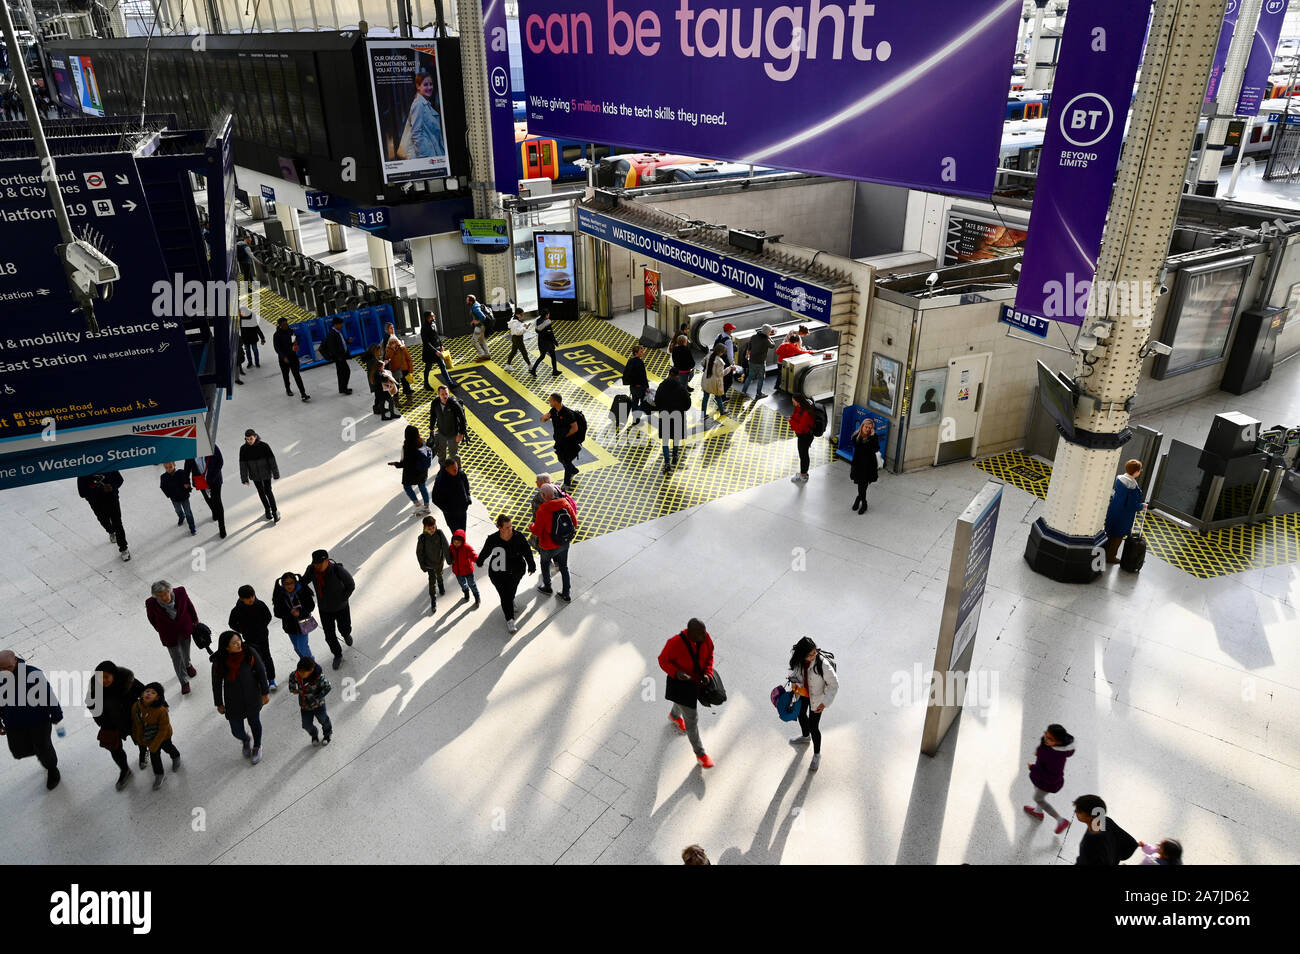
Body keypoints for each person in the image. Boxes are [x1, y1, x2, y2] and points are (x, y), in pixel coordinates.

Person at [0, 651, 64, 790]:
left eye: (7, 667)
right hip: (14, 725)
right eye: (0, 668)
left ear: (16, 661)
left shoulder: (33, 674)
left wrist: (56, 714)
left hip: (38, 722)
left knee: (44, 749)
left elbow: (48, 696)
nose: (4, 671)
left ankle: (52, 770)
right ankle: (41, 753)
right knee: (19, 750)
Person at [657, 619, 716, 769]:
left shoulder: (705, 638)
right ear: (690, 633)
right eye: (701, 634)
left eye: (705, 632)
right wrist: (676, 673)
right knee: (692, 719)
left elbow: (710, 655)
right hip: (682, 686)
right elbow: (662, 660)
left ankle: (674, 716)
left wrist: (708, 674)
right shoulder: (674, 643)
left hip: (698, 683)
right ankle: (700, 754)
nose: (705, 636)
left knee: (681, 705)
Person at [211, 630, 270, 765]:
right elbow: (216, 683)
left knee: (255, 723)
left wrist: (265, 693)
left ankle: (257, 746)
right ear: (226, 647)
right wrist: (219, 703)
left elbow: (261, 671)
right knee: (236, 730)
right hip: (233, 700)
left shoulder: (249, 653)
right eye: (234, 643)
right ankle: (245, 739)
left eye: (239, 640)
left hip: (252, 696)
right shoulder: (219, 661)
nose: (239, 644)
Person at [85, 661, 144, 791]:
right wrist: (102, 723)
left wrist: (161, 702)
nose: (103, 680)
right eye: (101, 677)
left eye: (107, 677)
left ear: (114, 675)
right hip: (110, 725)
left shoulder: (127, 680)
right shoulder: (95, 689)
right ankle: (124, 769)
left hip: (131, 720)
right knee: (115, 749)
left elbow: (144, 691)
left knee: (140, 739)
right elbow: (91, 706)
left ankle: (143, 753)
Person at [476, 515, 536, 634]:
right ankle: (510, 620)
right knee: (505, 596)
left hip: (516, 571)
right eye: (507, 527)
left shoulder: (518, 537)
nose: (511, 529)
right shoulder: (493, 539)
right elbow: (486, 551)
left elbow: (527, 551)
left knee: (511, 591)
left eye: (511, 526)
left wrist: (531, 565)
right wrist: (480, 561)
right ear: (500, 527)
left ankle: (511, 600)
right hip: (498, 573)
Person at [786, 637, 839, 772]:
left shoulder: (823, 664)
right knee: (801, 714)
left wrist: (825, 702)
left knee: (814, 726)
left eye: (815, 652)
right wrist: (794, 685)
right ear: (801, 654)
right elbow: (793, 672)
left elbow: (834, 684)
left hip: (818, 699)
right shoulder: (797, 660)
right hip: (803, 693)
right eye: (810, 654)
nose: (814, 655)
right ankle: (805, 736)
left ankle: (817, 754)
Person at [303, 549, 355, 671]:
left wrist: (343, 598)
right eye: (315, 563)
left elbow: (351, 584)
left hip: (341, 607)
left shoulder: (337, 570)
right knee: (329, 635)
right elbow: (303, 582)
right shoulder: (312, 570)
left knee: (344, 627)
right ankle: (337, 655)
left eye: (320, 563)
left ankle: (346, 634)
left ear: (327, 561)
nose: (318, 566)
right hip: (324, 609)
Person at [145, 580, 200, 695]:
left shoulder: (180, 592)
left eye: (166, 593)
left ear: (170, 590)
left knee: (186, 650)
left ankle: (188, 664)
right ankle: (184, 681)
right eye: (160, 596)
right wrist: (161, 629)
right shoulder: (151, 603)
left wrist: (195, 619)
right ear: (156, 597)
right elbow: (152, 619)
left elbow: (189, 605)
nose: (164, 597)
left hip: (184, 628)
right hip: (168, 634)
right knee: (176, 657)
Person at [1023, 724, 1075, 834]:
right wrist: (1040, 753)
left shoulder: (1056, 757)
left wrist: (1033, 768)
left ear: (1059, 742)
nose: (1045, 739)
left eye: (1050, 739)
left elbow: (1052, 777)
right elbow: (1045, 751)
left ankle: (1061, 821)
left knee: (1038, 798)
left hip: (1047, 783)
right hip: (1040, 778)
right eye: (1045, 735)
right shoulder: (1051, 747)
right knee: (1036, 788)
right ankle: (1038, 811)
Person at [530, 484, 577, 604]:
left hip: (548, 546)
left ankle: (547, 587)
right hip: (564, 543)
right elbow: (574, 522)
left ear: (543, 495)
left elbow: (538, 531)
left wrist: (531, 526)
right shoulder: (565, 503)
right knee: (564, 567)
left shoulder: (543, 509)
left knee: (545, 564)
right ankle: (566, 594)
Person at [130, 682, 180, 791]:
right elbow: (136, 724)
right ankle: (159, 774)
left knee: (168, 747)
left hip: (164, 736)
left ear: (157, 697)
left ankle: (176, 756)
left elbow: (163, 729)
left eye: (153, 693)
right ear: (142, 693)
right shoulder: (136, 707)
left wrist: (154, 745)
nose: (148, 694)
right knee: (154, 757)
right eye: (147, 691)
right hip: (149, 738)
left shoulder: (161, 711)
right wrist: (138, 737)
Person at [229, 585, 278, 690]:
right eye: (248, 598)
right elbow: (232, 623)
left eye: (252, 596)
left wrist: (262, 626)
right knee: (256, 659)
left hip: (263, 636)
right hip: (249, 639)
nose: (251, 599)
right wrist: (242, 630)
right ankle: (261, 677)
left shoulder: (260, 605)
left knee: (267, 657)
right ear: (242, 599)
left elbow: (268, 616)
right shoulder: (237, 610)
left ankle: (271, 679)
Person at [77, 470, 130, 561]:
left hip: (112, 498)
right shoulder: (83, 472)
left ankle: (123, 548)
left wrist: (112, 487)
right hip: (96, 502)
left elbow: (119, 480)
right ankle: (110, 531)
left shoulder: (108, 465)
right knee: (103, 520)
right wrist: (96, 490)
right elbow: (82, 493)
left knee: (117, 523)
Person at [1072, 794, 1139, 865]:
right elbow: (1131, 844)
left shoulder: (1091, 843)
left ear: (1091, 816)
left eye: (1079, 811)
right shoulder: (1106, 822)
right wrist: (1115, 857)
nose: (1075, 811)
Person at [397, 70, 444, 160]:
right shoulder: (419, 104)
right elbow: (416, 133)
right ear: (418, 86)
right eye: (425, 84)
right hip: (426, 155)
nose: (429, 87)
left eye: (431, 84)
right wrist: (424, 157)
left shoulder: (425, 103)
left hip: (430, 152)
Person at [1105, 460, 1145, 564]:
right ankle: (1111, 557)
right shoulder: (1131, 487)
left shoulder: (1120, 480)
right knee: (1118, 537)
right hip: (1124, 515)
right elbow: (1132, 505)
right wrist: (1142, 506)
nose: (1140, 472)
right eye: (1140, 470)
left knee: (1110, 533)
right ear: (1135, 472)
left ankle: (1104, 552)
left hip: (1114, 510)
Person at [288, 656, 333, 747]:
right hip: (304, 706)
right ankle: (314, 734)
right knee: (306, 724)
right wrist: (293, 689)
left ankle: (327, 734)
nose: (300, 674)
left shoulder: (319, 678)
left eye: (303, 672)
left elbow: (328, 687)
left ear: (311, 670)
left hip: (318, 705)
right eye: (299, 671)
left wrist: (317, 697)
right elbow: (292, 679)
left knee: (323, 720)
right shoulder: (296, 675)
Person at [238, 428, 280, 522]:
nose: (249, 441)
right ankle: (267, 510)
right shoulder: (243, 449)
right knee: (261, 492)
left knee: (268, 491)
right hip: (255, 475)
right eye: (247, 439)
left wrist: (275, 473)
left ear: (255, 436)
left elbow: (272, 460)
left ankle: (275, 512)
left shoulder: (264, 446)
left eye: (251, 439)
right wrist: (244, 479)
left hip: (266, 474)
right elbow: (243, 465)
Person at [272, 572, 317, 660]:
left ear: (295, 582)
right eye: (286, 584)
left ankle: (312, 665)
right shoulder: (280, 595)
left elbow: (311, 606)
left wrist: (300, 613)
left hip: (303, 624)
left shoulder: (302, 591)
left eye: (291, 583)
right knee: (297, 648)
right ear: (282, 584)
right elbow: (277, 613)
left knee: (302, 647)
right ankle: (305, 665)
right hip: (290, 627)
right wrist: (289, 613)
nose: (289, 586)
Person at [541, 393, 581, 490]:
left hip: (569, 442)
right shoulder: (553, 411)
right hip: (559, 441)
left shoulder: (567, 413)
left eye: (550, 400)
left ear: (555, 401)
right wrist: (544, 417)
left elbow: (575, 428)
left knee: (566, 461)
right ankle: (574, 470)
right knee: (561, 459)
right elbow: (543, 420)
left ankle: (567, 483)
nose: (549, 401)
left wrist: (565, 436)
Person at [185, 445, 226, 538]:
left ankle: (222, 527)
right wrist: (186, 481)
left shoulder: (212, 446)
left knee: (217, 501)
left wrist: (211, 478)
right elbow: (187, 466)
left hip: (214, 479)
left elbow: (220, 462)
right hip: (200, 480)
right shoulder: (189, 449)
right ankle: (214, 512)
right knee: (208, 498)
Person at [655, 371, 691, 474]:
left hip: (665, 416)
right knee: (676, 437)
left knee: (665, 441)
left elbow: (657, 401)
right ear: (677, 376)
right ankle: (675, 456)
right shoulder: (681, 387)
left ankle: (667, 463)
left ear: (669, 374)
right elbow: (688, 404)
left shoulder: (662, 386)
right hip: (678, 416)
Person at [391, 424, 433, 514]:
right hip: (422, 471)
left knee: (407, 487)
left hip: (410, 473)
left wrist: (396, 464)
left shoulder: (406, 447)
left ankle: (417, 505)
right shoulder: (422, 442)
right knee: (422, 487)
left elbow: (404, 463)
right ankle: (426, 506)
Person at [416, 514, 450, 615]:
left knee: (439, 575)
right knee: (431, 582)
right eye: (429, 528)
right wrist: (422, 565)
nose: (432, 530)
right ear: (425, 528)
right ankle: (433, 600)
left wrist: (448, 560)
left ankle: (441, 585)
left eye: (433, 527)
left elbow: (445, 546)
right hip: (429, 564)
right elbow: (419, 553)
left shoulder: (439, 533)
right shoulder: (422, 538)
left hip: (439, 562)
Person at [428, 385, 467, 465]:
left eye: (446, 394)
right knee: (441, 453)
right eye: (442, 394)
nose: (445, 396)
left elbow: (462, 419)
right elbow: (433, 416)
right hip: (441, 432)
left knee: (453, 455)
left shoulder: (454, 403)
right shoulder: (435, 403)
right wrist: (431, 429)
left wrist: (461, 433)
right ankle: (442, 469)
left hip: (453, 433)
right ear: (438, 394)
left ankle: (458, 470)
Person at [272, 318, 311, 402]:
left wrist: (296, 343)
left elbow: (295, 339)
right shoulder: (276, 335)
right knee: (286, 375)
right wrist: (283, 357)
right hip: (284, 359)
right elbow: (277, 348)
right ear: (280, 326)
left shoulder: (291, 331)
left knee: (297, 375)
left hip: (293, 356)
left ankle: (303, 394)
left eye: (286, 324)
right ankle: (288, 389)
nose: (286, 326)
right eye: (284, 325)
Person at [432, 455, 472, 534]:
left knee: (463, 533)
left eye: (456, 468)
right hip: (451, 515)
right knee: (457, 535)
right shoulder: (440, 481)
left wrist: (468, 497)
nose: (456, 470)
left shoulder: (461, 474)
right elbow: (435, 499)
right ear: (447, 469)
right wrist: (447, 510)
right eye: (453, 469)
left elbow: (466, 486)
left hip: (462, 510)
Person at [849, 418, 880, 514]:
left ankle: (859, 500)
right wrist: (869, 439)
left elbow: (876, 448)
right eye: (866, 427)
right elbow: (861, 448)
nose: (868, 429)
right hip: (859, 464)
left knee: (864, 484)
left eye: (870, 428)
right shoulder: (856, 437)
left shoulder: (873, 436)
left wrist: (871, 437)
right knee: (861, 484)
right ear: (862, 426)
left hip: (869, 464)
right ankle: (863, 502)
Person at [159, 461, 196, 535]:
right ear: (164, 467)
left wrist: (188, 487)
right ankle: (181, 517)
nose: (168, 469)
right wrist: (169, 494)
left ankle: (192, 527)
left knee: (188, 512)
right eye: (166, 468)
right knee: (178, 510)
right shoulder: (163, 477)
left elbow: (187, 481)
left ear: (174, 465)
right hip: (174, 499)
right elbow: (162, 487)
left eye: (170, 467)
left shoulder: (181, 472)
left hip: (184, 497)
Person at [319, 315, 354, 395]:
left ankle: (343, 388)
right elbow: (332, 348)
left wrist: (348, 341)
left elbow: (342, 342)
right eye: (340, 324)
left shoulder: (337, 332)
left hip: (341, 356)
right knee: (346, 372)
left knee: (342, 372)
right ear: (335, 324)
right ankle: (344, 388)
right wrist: (338, 357)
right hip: (339, 357)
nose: (342, 325)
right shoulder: (332, 334)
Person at [738, 324, 773, 400]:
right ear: (767, 332)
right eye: (770, 332)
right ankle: (759, 393)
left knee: (750, 376)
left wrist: (747, 354)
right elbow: (772, 346)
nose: (770, 333)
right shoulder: (766, 340)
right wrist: (770, 338)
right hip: (760, 362)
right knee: (761, 378)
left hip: (752, 360)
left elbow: (749, 346)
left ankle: (743, 391)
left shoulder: (754, 337)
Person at [448, 529, 481, 608]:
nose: (456, 544)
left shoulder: (467, 548)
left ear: (462, 541)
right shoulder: (451, 547)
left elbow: (473, 555)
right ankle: (466, 593)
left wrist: (479, 561)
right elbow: (448, 556)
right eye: (455, 542)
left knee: (472, 584)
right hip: (458, 571)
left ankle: (477, 596)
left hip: (468, 571)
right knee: (462, 584)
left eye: (458, 542)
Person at [420, 312, 453, 390]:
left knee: (442, 366)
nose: (434, 317)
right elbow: (426, 342)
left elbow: (437, 336)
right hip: (429, 352)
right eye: (432, 316)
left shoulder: (434, 324)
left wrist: (441, 345)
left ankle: (450, 383)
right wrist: (435, 351)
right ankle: (426, 384)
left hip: (437, 349)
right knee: (428, 368)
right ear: (427, 317)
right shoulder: (424, 328)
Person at [383, 322, 415, 400]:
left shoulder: (400, 345)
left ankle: (408, 397)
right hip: (395, 367)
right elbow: (386, 356)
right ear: (387, 330)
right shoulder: (387, 339)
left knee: (405, 382)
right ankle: (397, 399)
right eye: (391, 328)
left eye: (393, 327)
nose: (393, 329)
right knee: (396, 383)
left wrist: (410, 369)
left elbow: (408, 359)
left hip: (403, 367)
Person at [789, 396, 816, 484]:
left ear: (799, 402)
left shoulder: (806, 412)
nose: (793, 403)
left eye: (794, 401)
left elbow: (801, 428)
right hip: (804, 434)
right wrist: (792, 420)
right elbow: (795, 416)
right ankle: (803, 473)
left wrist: (791, 421)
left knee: (803, 455)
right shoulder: (800, 407)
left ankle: (803, 475)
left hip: (805, 436)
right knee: (803, 454)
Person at [700, 343, 731, 418]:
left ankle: (703, 414)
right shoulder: (720, 361)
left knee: (705, 397)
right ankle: (722, 412)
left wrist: (708, 368)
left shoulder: (709, 354)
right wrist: (729, 368)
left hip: (706, 378)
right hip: (714, 382)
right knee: (718, 397)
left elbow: (702, 363)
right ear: (720, 352)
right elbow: (720, 374)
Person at [623, 344, 649, 424]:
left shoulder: (630, 361)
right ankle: (637, 414)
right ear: (636, 353)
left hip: (633, 387)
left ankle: (635, 419)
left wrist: (632, 383)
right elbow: (643, 376)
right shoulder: (640, 362)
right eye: (641, 352)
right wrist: (646, 386)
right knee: (644, 403)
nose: (642, 353)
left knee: (634, 402)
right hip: (640, 387)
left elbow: (626, 374)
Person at [529, 308, 559, 376]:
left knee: (542, 356)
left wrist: (543, 332)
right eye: (548, 314)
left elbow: (537, 331)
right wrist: (555, 342)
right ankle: (554, 371)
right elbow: (550, 334)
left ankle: (533, 370)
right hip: (548, 342)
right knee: (553, 356)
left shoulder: (538, 320)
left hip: (540, 341)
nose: (549, 315)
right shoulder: (547, 322)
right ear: (546, 315)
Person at [467, 294, 491, 361]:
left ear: (471, 302)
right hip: (482, 326)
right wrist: (474, 321)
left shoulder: (475, 308)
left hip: (479, 327)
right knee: (482, 340)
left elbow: (483, 317)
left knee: (473, 341)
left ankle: (482, 354)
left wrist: (477, 322)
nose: (466, 301)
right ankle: (487, 354)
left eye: (467, 300)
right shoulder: (476, 304)